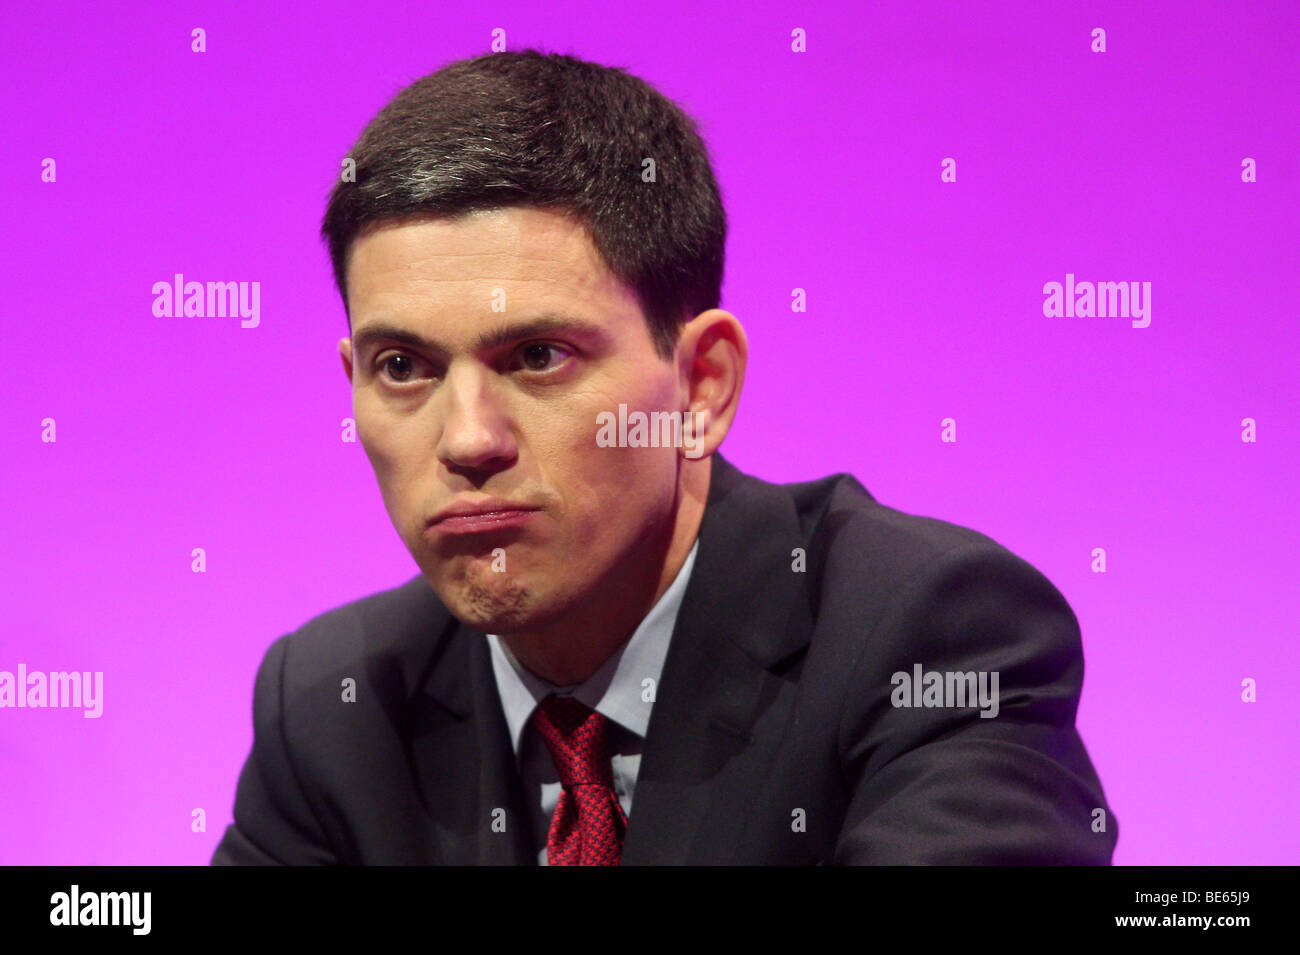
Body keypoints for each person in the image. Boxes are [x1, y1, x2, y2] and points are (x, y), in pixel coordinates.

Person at [211, 49, 1117, 865]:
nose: (467, 440)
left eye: (537, 357)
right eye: (403, 368)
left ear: (701, 385)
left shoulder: (931, 632)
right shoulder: (333, 703)